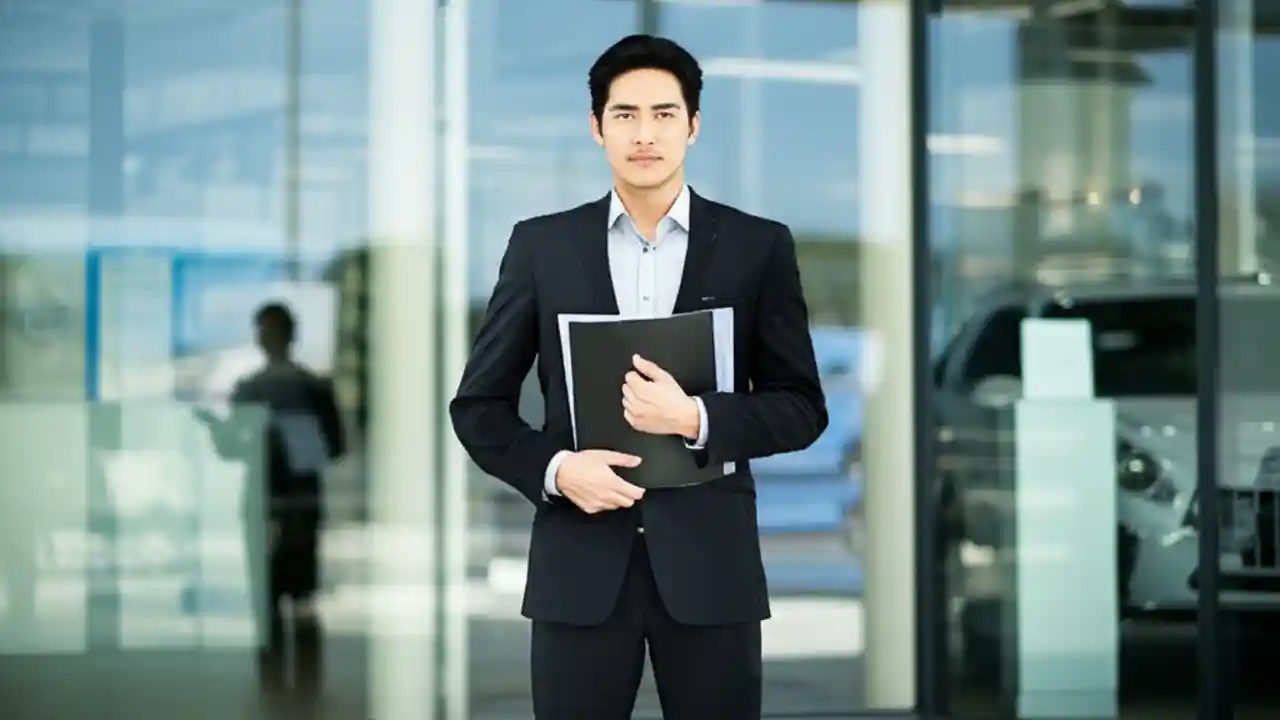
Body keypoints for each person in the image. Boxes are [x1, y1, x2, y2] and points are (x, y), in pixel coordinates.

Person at [450, 34, 827, 719]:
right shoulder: (542, 247)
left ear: (693, 125)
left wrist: (697, 419)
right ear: (597, 128)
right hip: (580, 572)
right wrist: (559, 470)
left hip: (713, 572)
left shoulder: (757, 246)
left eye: (662, 113)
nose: (644, 133)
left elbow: (801, 406)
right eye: (625, 115)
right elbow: (479, 407)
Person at [196, 301, 344, 691]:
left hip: (273, 500)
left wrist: (222, 432)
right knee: (297, 594)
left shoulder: (257, 389)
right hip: (294, 499)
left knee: (275, 597)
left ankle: (280, 686)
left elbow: (232, 447)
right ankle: (297, 688)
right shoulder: (310, 387)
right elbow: (335, 445)